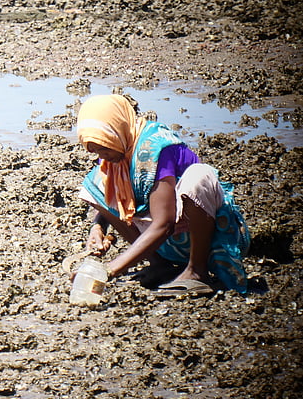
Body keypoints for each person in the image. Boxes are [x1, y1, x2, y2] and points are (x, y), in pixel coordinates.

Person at [75, 94, 250, 295]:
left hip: (208, 239)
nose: (101, 156)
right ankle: (158, 264)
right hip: (166, 245)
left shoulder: (157, 149)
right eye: (95, 151)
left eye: (104, 148)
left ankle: (197, 271)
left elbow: (164, 224)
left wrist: (109, 270)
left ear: (116, 132)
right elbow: (109, 196)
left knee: (198, 177)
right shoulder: (119, 151)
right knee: (93, 185)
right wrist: (98, 227)